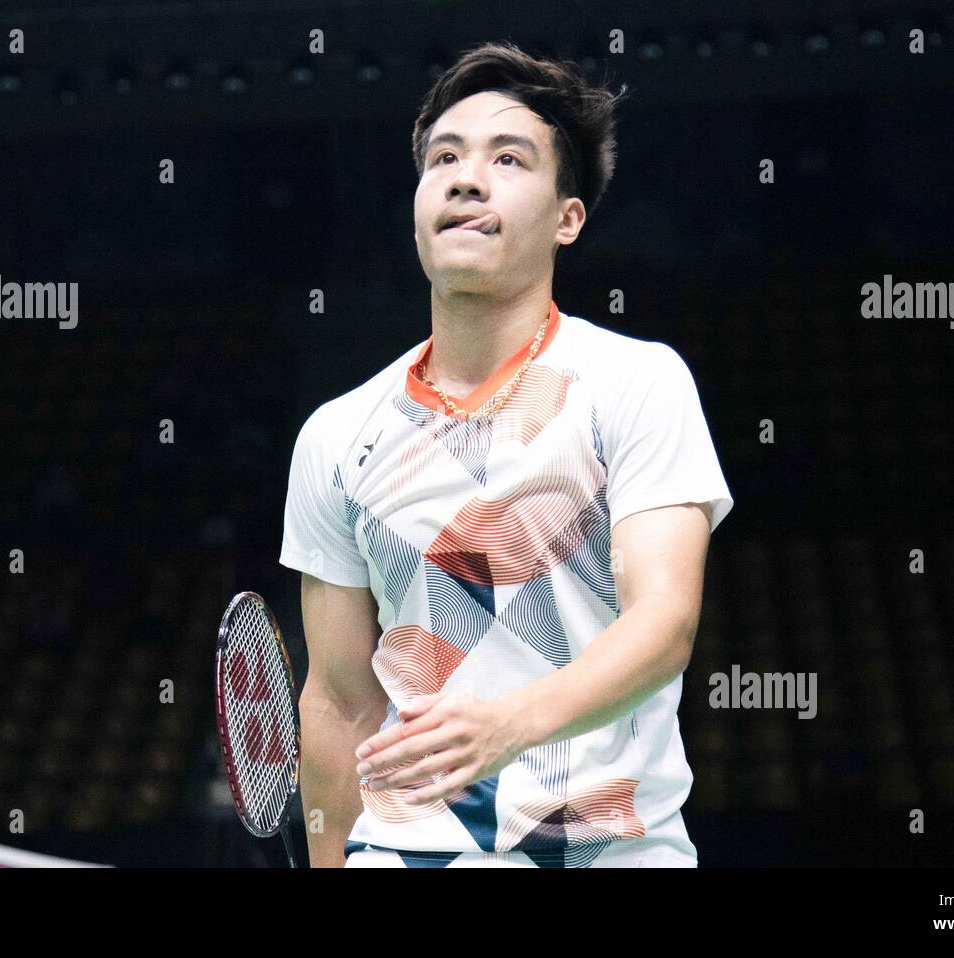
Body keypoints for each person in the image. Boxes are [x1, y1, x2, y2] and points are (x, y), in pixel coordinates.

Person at [279, 41, 733, 868]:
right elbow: (340, 701)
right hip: (409, 848)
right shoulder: (336, 436)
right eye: (444, 157)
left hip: (611, 848)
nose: (465, 177)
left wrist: (505, 724)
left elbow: (665, 623)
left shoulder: (635, 382)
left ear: (568, 218)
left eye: (508, 158)